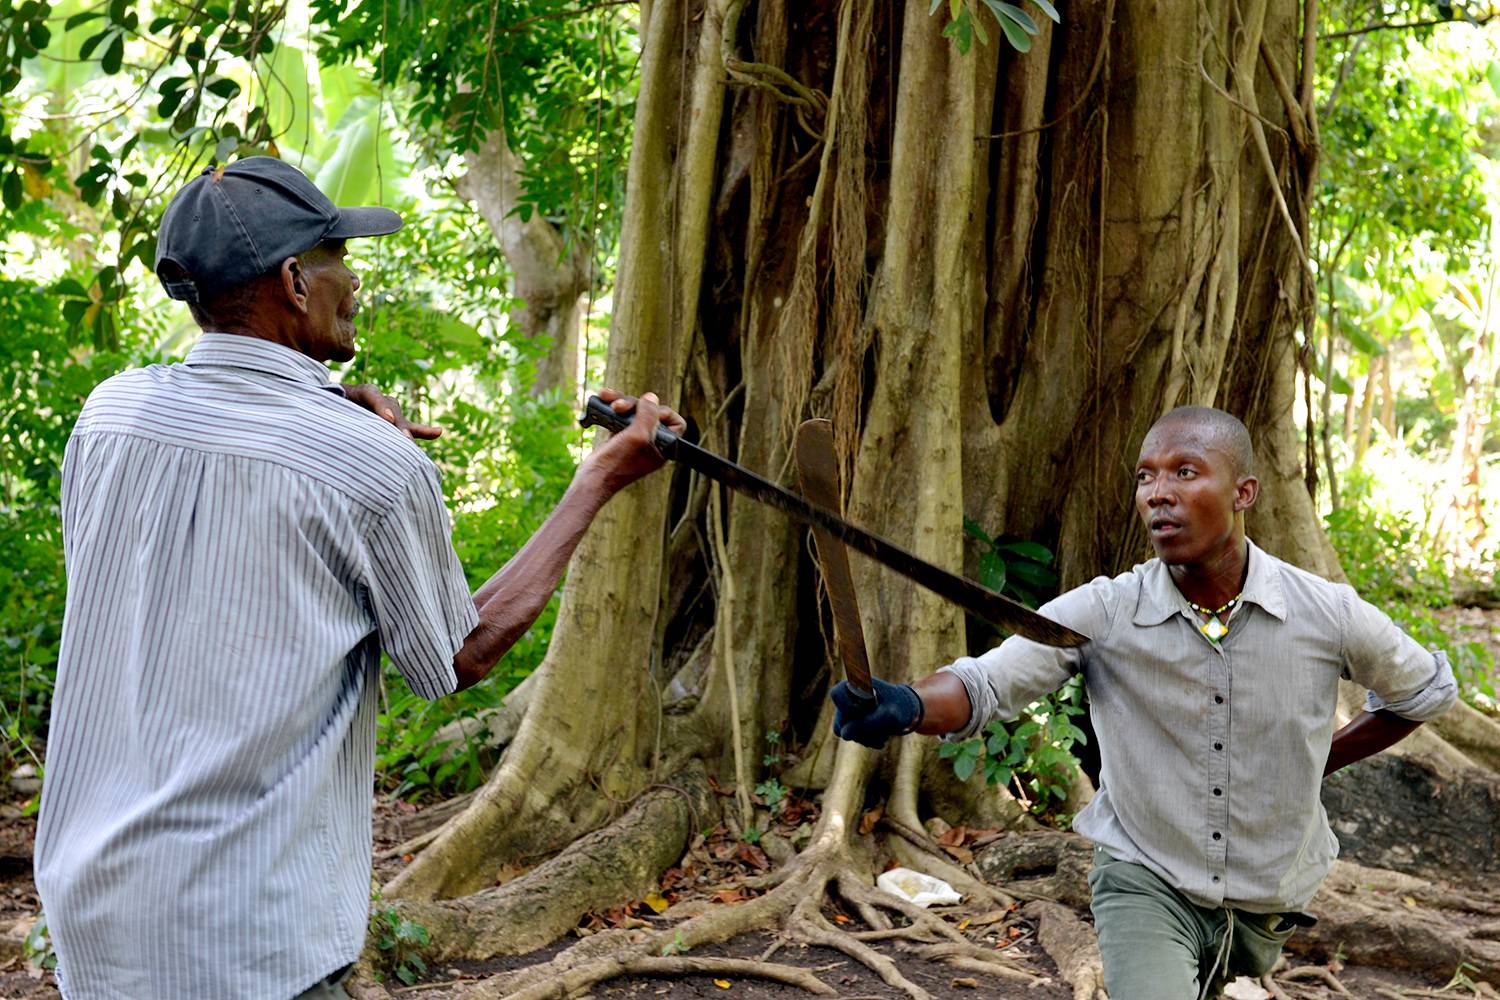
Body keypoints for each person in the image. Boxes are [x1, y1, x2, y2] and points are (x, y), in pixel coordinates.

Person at [33, 156, 683, 1000]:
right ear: (295, 282)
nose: (354, 280)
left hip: (95, 914)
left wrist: (328, 402)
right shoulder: (371, 464)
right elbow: (458, 654)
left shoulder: (108, 417)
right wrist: (598, 478)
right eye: (339, 257)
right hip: (250, 938)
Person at [829, 406, 1457, 999]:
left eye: (1185, 472)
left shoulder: (1324, 612)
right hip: (1144, 879)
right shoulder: (1106, 611)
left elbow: (1423, 690)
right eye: (1145, 478)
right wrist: (906, 704)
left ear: (1243, 492)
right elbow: (984, 684)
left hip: (1265, 902)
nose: (1159, 493)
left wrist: (1318, 759)